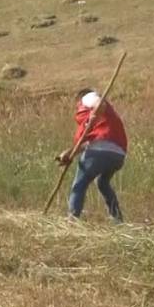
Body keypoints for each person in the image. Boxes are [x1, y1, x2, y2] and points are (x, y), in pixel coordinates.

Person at [58, 90, 128, 222]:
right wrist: (69, 153)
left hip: (100, 151)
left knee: (79, 184)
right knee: (102, 183)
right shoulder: (107, 119)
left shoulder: (88, 97)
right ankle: (117, 219)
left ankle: (72, 220)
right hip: (117, 154)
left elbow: (99, 103)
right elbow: (89, 142)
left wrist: (95, 110)